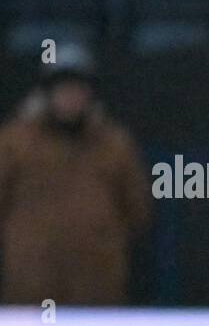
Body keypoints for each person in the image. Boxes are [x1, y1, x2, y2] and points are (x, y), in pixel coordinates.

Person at [0, 44, 151, 305]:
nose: (71, 96)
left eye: (78, 88)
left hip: (96, 292)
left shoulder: (114, 144)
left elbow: (138, 210)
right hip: (30, 292)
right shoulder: (15, 142)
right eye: (63, 88)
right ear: (46, 93)